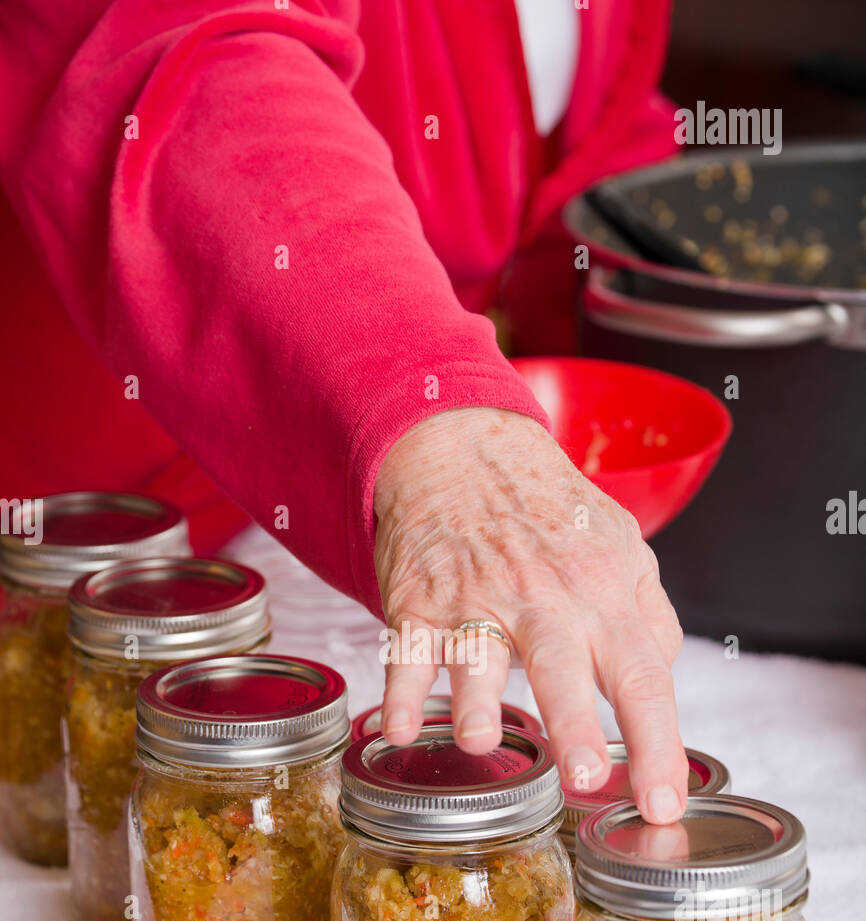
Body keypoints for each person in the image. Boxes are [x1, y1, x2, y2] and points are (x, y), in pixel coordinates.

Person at [0, 0, 689, 823]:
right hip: (55, 566)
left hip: (332, 525)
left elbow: (587, 140)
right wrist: (443, 425)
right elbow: (183, 55)